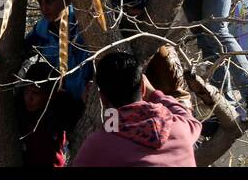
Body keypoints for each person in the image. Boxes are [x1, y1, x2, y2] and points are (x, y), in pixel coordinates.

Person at [72, 51, 200, 167]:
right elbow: (193, 122)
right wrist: (155, 94)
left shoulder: (97, 147)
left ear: (102, 98)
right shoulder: (180, 127)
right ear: (143, 88)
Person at [24, 0, 93, 103]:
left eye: (50, 1)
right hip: (66, 101)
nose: (44, 8)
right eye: (40, 2)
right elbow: (20, 51)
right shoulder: (40, 31)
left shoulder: (85, 24)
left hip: (93, 96)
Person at [17, 60, 84, 167]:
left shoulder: (61, 108)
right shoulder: (19, 108)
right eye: (26, 91)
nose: (28, 99)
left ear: (50, 95)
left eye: (35, 93)